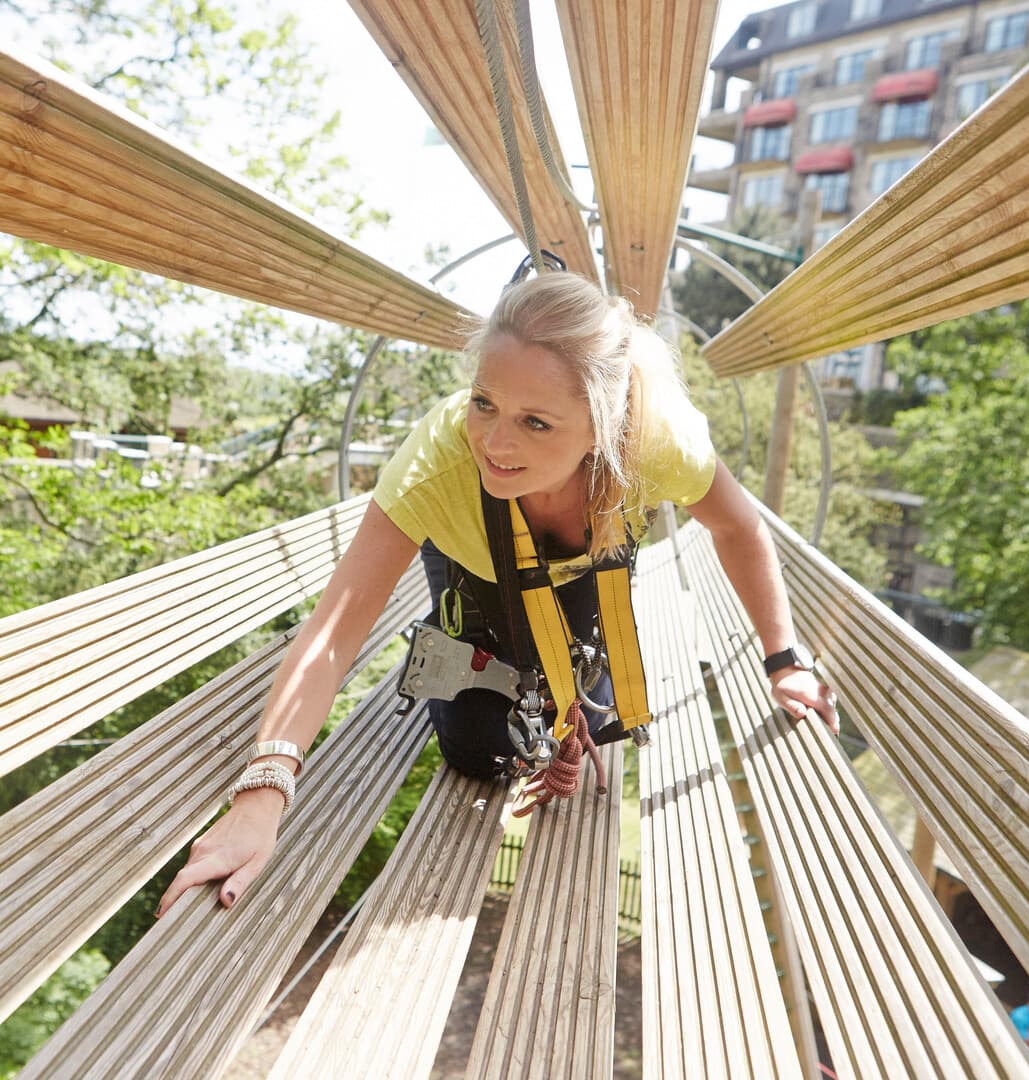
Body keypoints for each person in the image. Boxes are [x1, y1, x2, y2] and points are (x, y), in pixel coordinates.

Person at [157, 269, 838, 918]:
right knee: (479, 752)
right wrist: (264, 789)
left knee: (587, 724)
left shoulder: (657, 443)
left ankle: (554, 680)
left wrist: (784, 662)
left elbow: (739, 524)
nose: (495, 443)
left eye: (535, 423)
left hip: (586, 564)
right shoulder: (444, 464)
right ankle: (457, 652)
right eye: (485, 402)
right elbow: (333, 633)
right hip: (472, 564)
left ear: (603, 425)